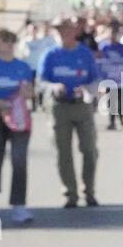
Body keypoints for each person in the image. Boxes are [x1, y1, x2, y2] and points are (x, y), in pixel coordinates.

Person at [40, 16, 100, 207]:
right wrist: (53, 86)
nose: (63, 34)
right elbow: (41, 82)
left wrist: (87, 89)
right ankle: (70, 193)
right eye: (59, 30)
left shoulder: (84, 54)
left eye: (66, 29)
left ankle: (88, 190)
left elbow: (96, 79)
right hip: (59, 107)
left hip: (81, 105)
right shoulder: (50, 55)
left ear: (75, 31)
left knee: (89, 150)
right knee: (63, 152)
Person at [0, 29, 35, 224]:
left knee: (19, 160)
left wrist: (26, 92)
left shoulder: (23, 67)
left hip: (18, 117)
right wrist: (4, 105)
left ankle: (19, 205)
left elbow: (29, 93)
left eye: (12, 40)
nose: (9, 44)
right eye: (5, 40)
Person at [98, 20, 123, 130]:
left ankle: (122, 120)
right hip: (109, 79)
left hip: (120, 79)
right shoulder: (104, 48)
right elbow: (100, 64)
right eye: (110, 33)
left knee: (120, 101)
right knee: (111, 101)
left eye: (114, 34)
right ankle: (112, 122)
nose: (112, 36)